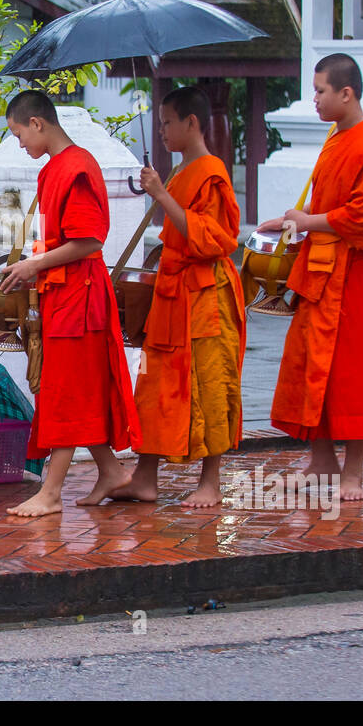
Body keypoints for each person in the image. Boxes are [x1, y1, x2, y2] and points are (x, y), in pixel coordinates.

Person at [260, 53, 363, 502]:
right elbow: (324, 206)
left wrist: (308, 222)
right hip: (323, 272)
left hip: (362, 275)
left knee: (356, 373)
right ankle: (321, 460)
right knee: (308, 365)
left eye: (321, 91)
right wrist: (290, 224)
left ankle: (353, 471)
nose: (315, 100)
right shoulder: (335, 138)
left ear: (347, 93)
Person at [0, 89, 141, 516]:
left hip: (79, 295)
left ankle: (51, 492)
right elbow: (58, 240)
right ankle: (112, 472)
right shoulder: (52, 171)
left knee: (63, 392)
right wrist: (29, 262)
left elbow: (89, 240)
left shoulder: (77, 167)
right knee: (77, 390)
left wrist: (35, 263)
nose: (20, 144)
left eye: (19, 133)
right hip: (61, 293)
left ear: (38, 123)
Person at [110, 86, 246, 508]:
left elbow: (213, 240)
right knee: (154, 384)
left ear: (192, 123)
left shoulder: (212, 172)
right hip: (171, 296)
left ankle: (211, 481)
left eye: (168, 121)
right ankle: (145, 476)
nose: (162, 130)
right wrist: (163, 191)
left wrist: (162, 196)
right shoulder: (179, 172)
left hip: (206, 296)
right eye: (161, 122)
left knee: (210, 383)